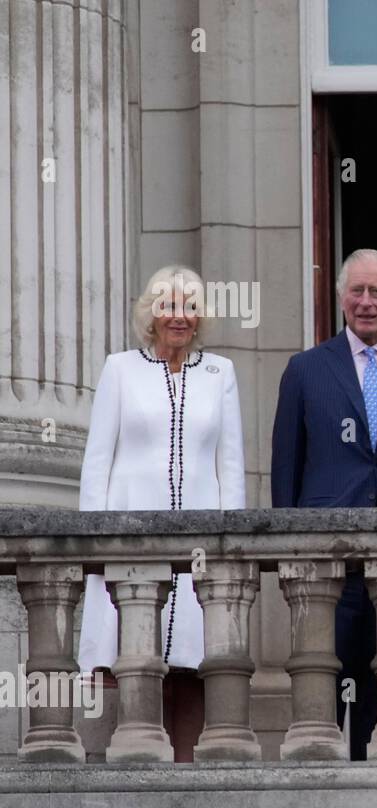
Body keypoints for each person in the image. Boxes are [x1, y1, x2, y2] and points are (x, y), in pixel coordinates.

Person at [271, 248, 377, 760]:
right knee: (323, 688)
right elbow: (286, 468)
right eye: (357, 291)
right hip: (326, 560)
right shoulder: (305, 370)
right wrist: (288, 549)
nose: (366, 302)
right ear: (341, 296)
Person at [79, 265, 246, 762]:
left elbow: (231, 465)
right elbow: (97, 461)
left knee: (193, 664)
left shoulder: (220, 373)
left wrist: (230, 544)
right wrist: (94, 540)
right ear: (151, 313)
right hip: (130, 536)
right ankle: (134, 771)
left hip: (200, 545)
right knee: (133, 657)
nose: (179, 316)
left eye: (190, 307)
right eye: (169, 305)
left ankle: (188, 781)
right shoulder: (120, 369)